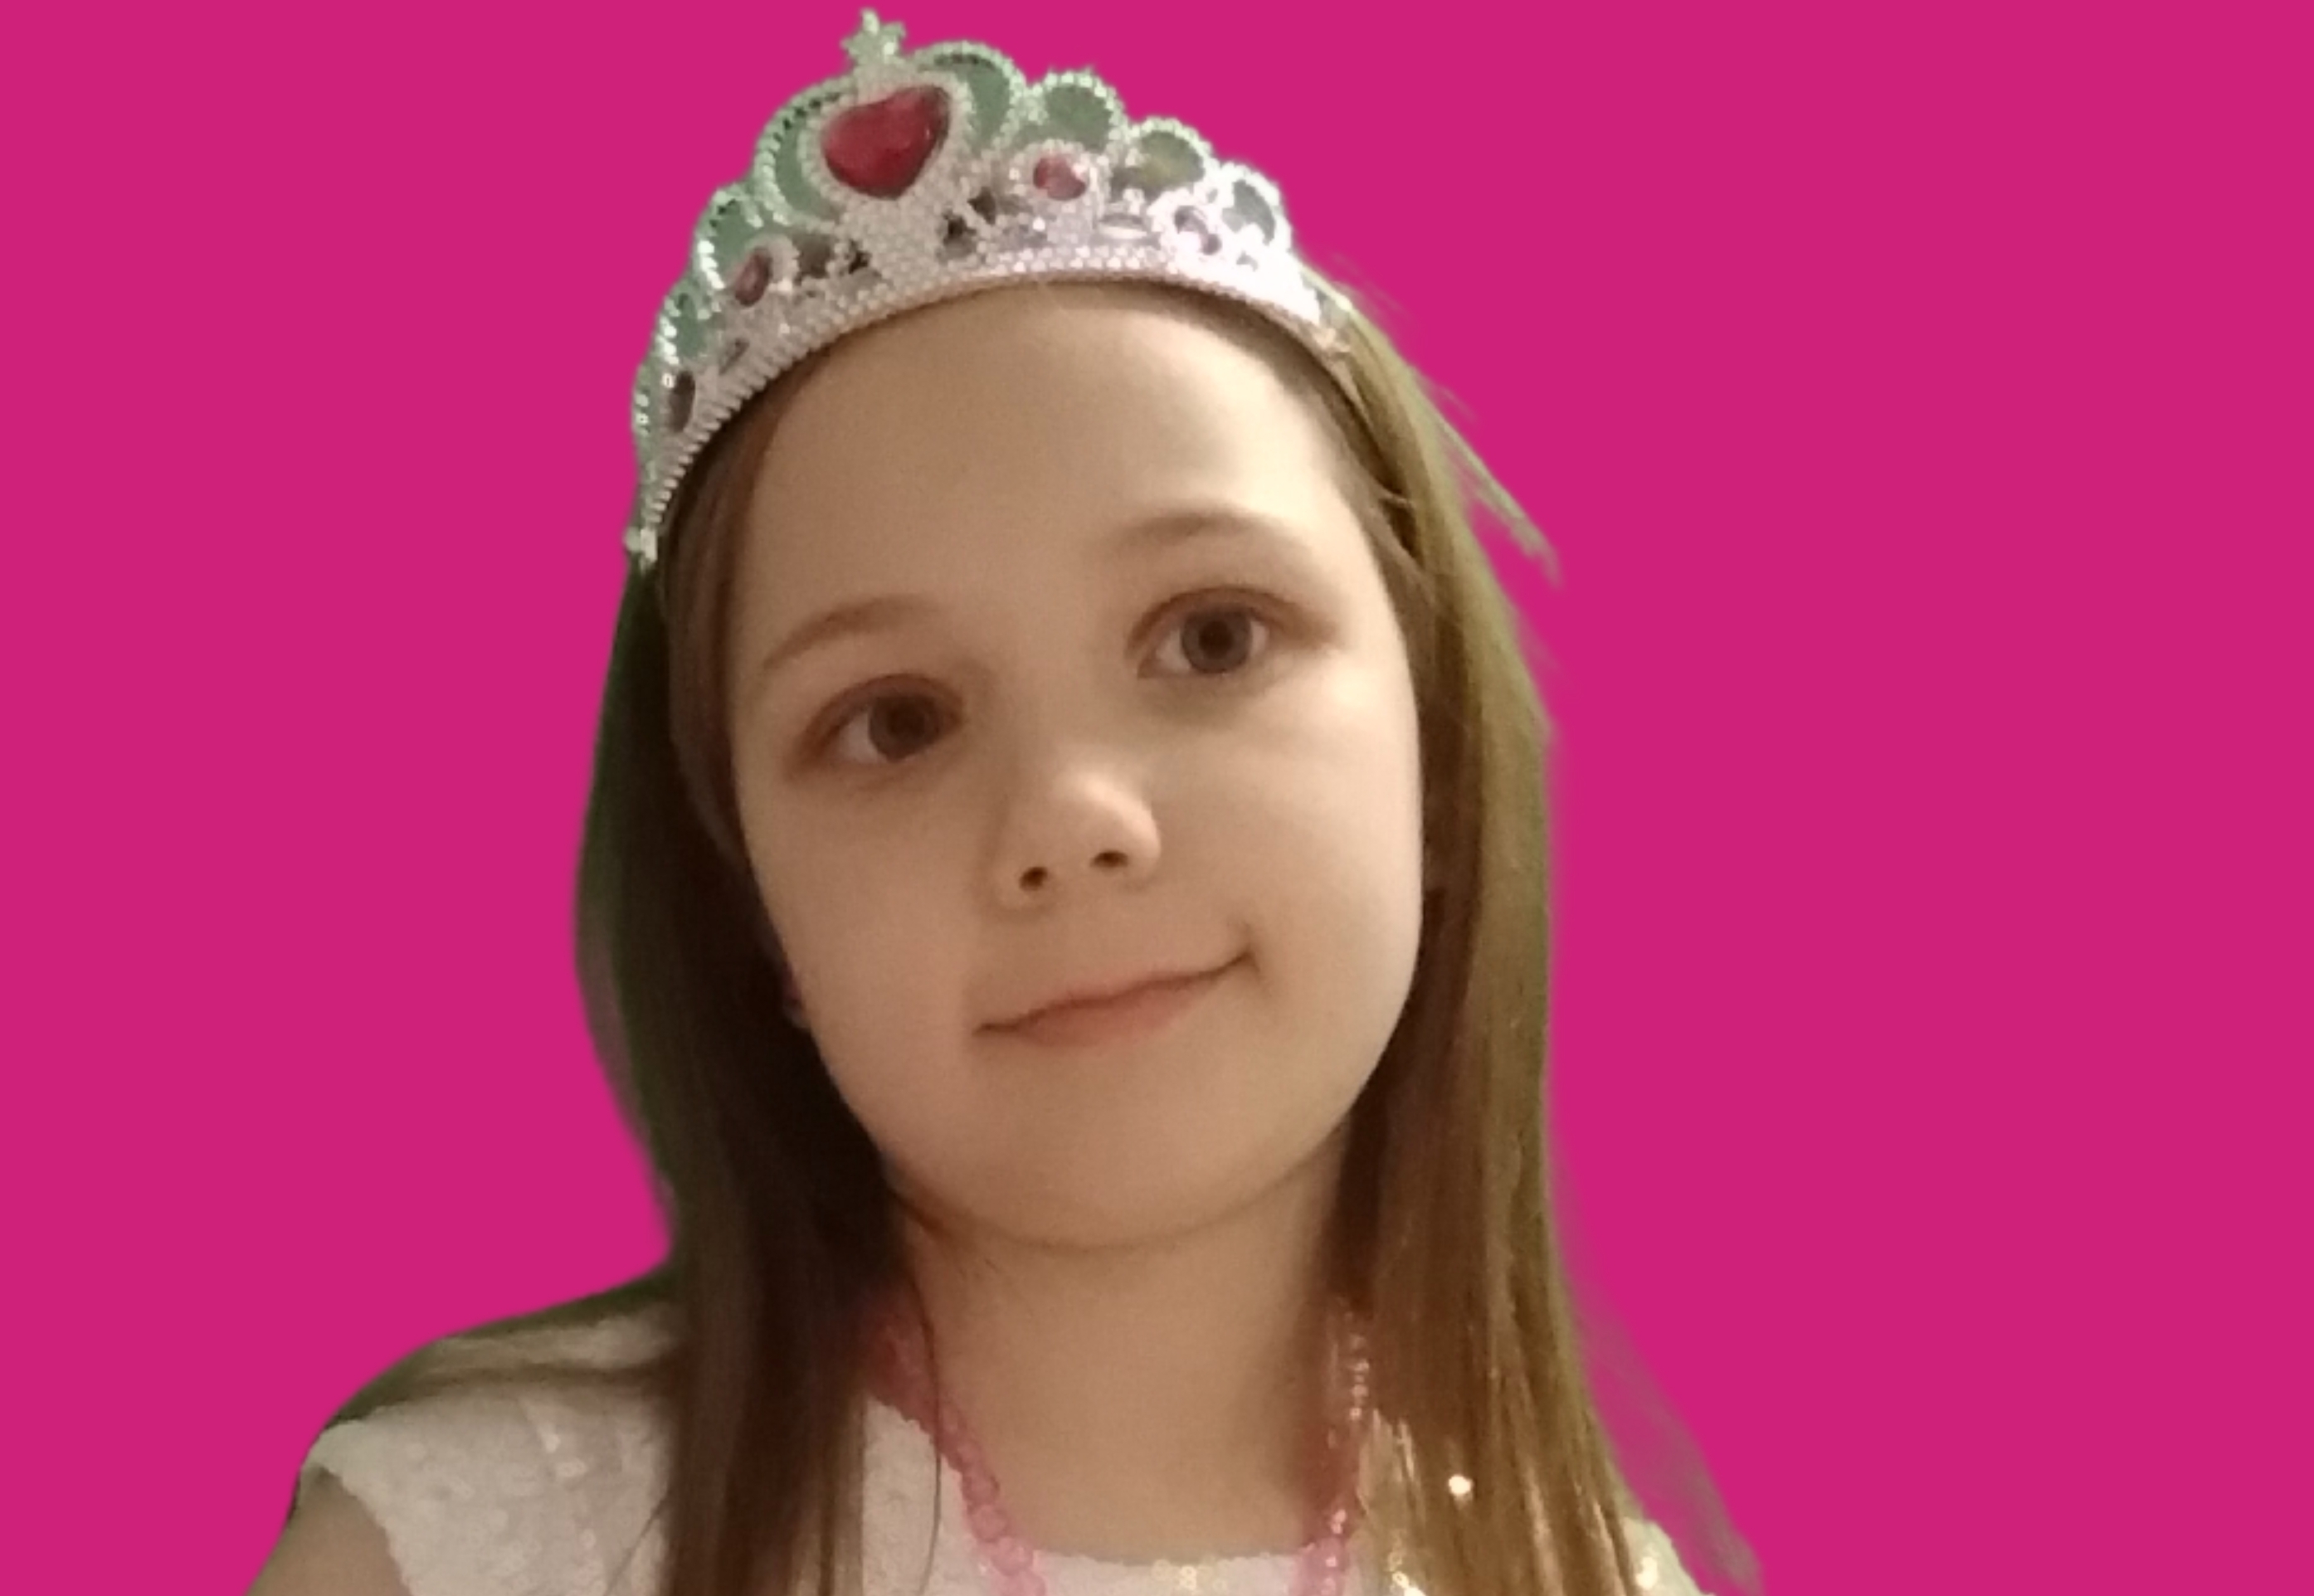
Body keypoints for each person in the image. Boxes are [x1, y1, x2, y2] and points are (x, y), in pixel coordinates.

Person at [251, 12, 1750, 1595]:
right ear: (751, 901)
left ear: (1435, 753)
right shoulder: (460, 1557)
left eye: (1210, 637)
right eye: (896, 723)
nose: (1068, 816)